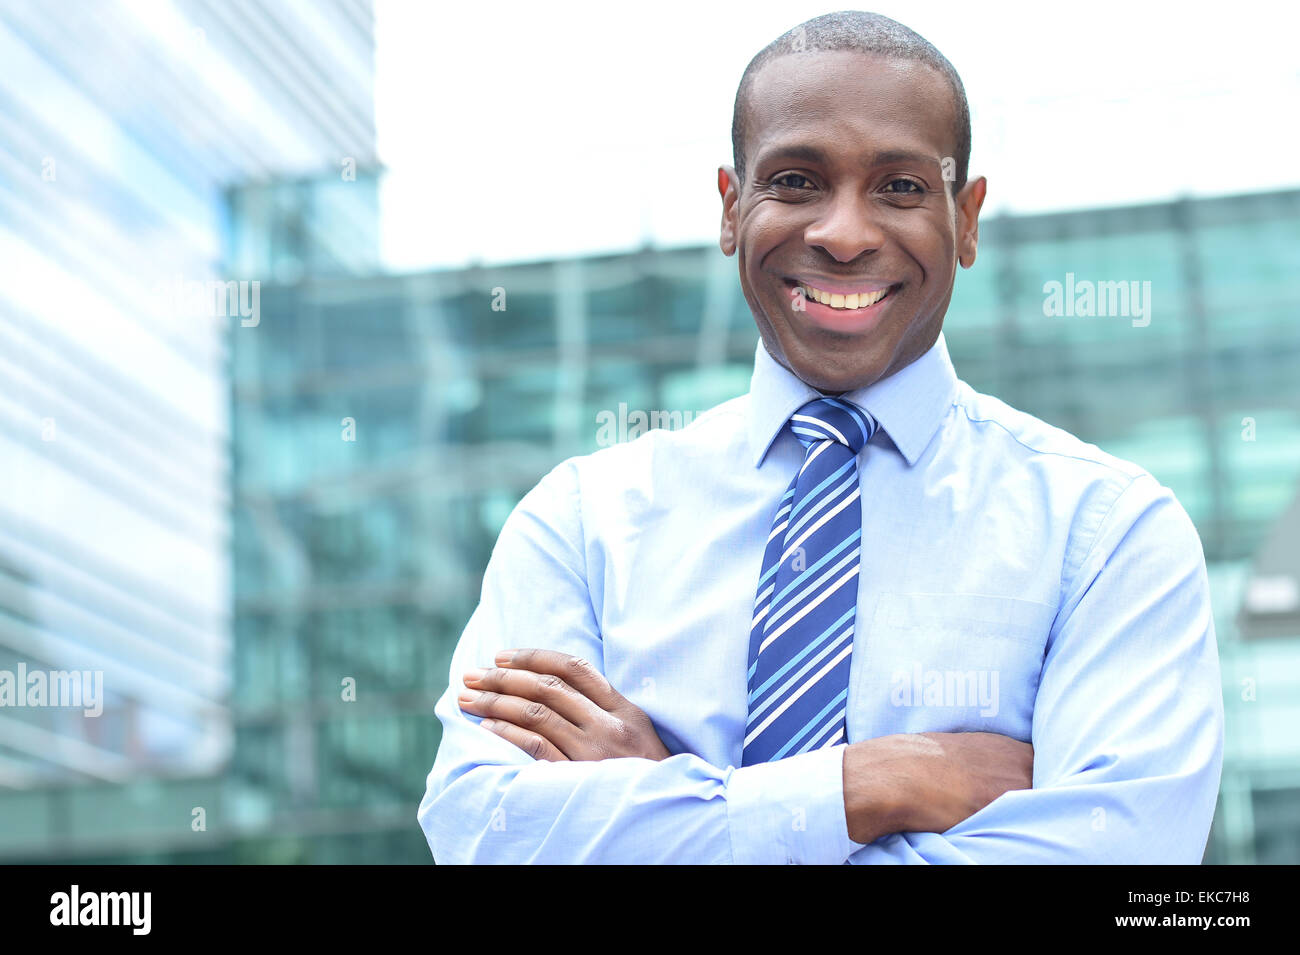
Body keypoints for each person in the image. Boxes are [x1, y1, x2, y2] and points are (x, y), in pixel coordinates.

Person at [417, 10, 1224, 864]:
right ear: (733, 210)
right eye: (797, 181)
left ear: (968, 218)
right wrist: (866, 787)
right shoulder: (581, 526)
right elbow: (488, 832)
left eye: (901, 187)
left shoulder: (1106, 534)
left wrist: (680, 803)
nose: (842, 234)